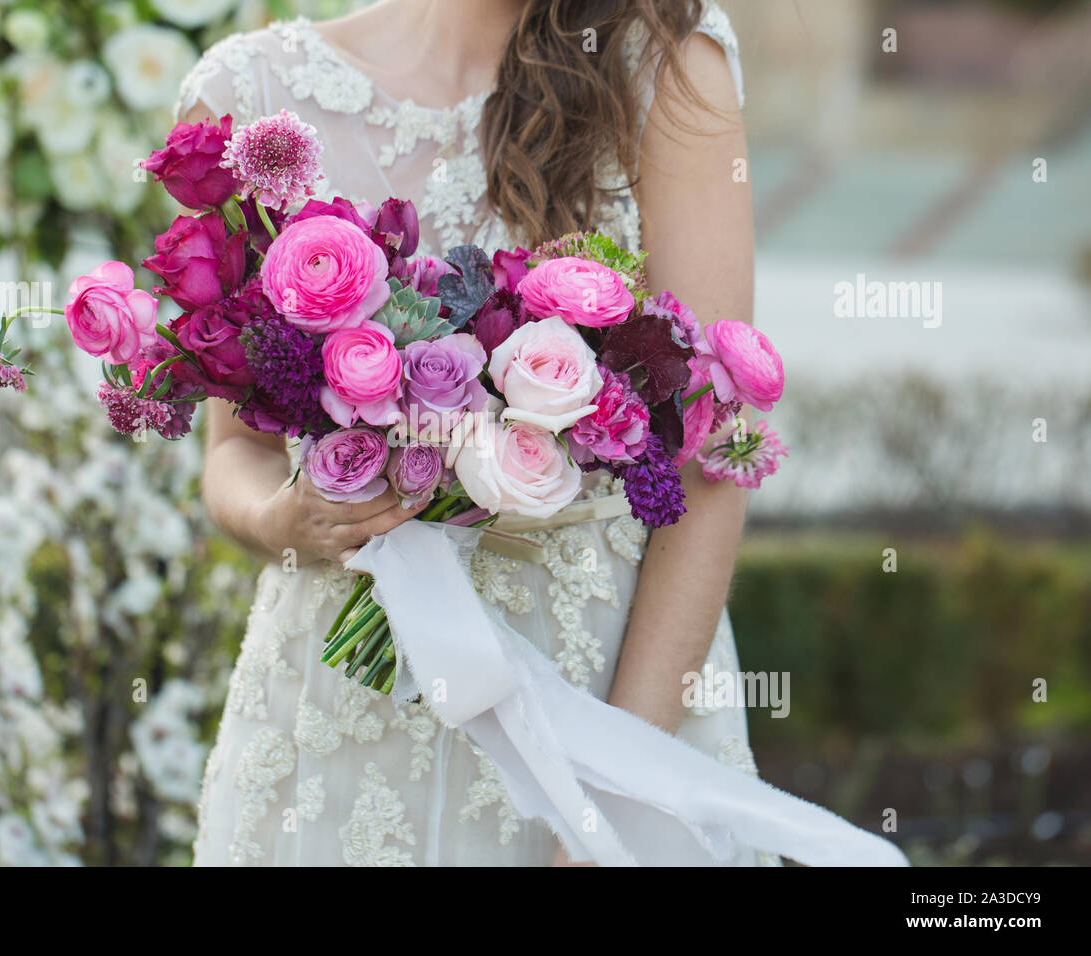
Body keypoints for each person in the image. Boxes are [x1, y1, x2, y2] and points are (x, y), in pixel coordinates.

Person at [180, 0, 773, 866]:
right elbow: (236, 453)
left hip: (600, 693)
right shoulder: (253, 92)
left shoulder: (666, 70)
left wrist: (613, 803)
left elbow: (714, 460)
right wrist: (282, 520)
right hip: (341, 715)